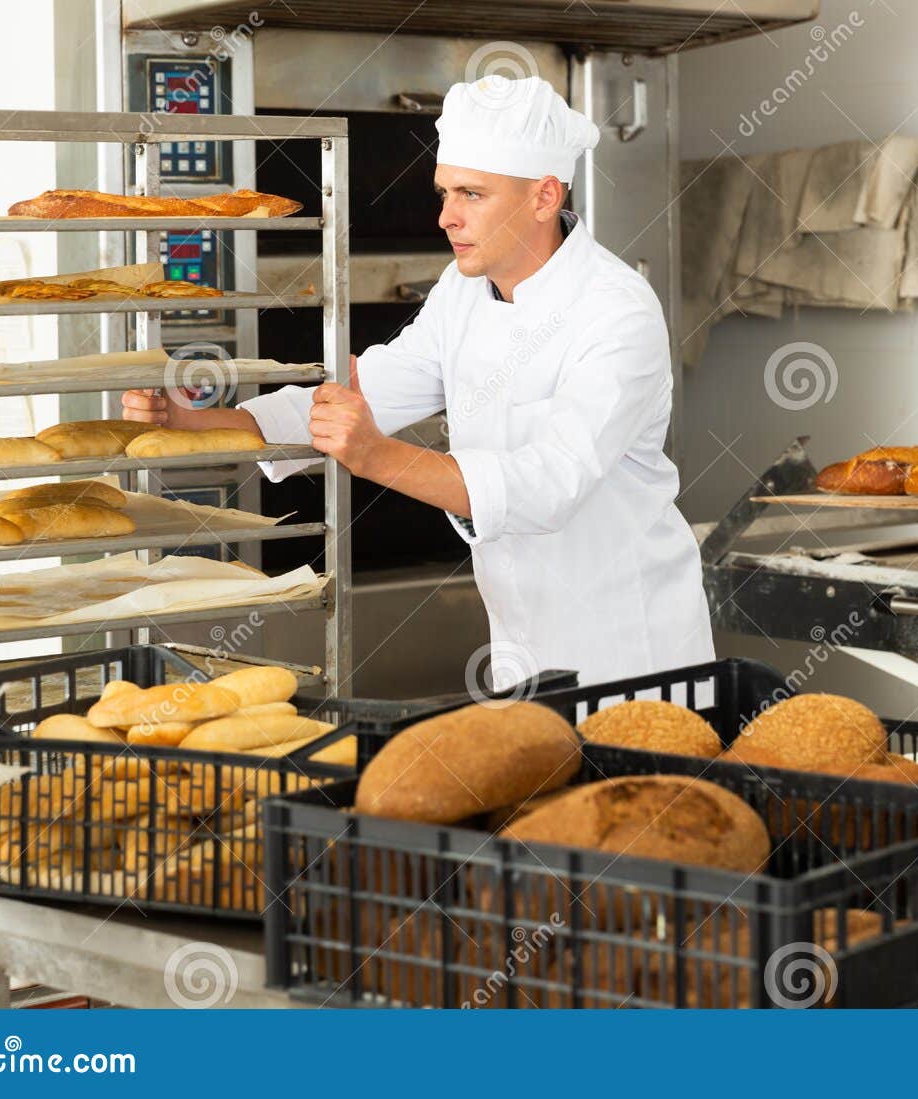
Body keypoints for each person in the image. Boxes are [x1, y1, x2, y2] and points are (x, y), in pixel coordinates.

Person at [122, 75, 715, 687]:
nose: (446, 217)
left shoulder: (616, 310)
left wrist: (375, 455)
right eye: (444, 192)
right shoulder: (463, 291)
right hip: (518, 640)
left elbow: (549, 486)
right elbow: (365, 393)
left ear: (543, 196)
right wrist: (201, 422)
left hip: (633, 649)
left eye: (472, 195)